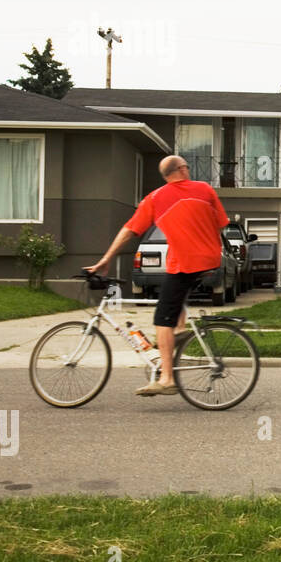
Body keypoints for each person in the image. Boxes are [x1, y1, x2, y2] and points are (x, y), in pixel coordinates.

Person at [85, 155, 230, 396]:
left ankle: (167, 379)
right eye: (188, 167)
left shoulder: (155, 198)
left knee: (162, 318)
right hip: (209, 260)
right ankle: (180, 328)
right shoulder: (204, 189)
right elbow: (221, 224)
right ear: (182, 170)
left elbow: (129, 231)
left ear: (166, 175)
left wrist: (106, 259)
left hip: (186, 263)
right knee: (172, 290)